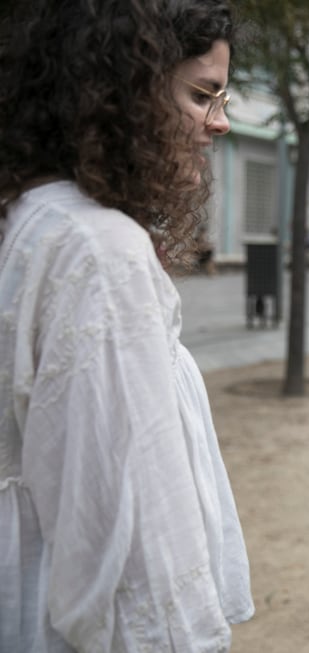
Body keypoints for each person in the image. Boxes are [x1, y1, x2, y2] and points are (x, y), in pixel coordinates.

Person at [0, 1, 253, 650]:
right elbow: (126, 525)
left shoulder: (34, 219)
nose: (220, 122)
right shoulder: (97, 248)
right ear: (124, 89)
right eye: (202, 94)